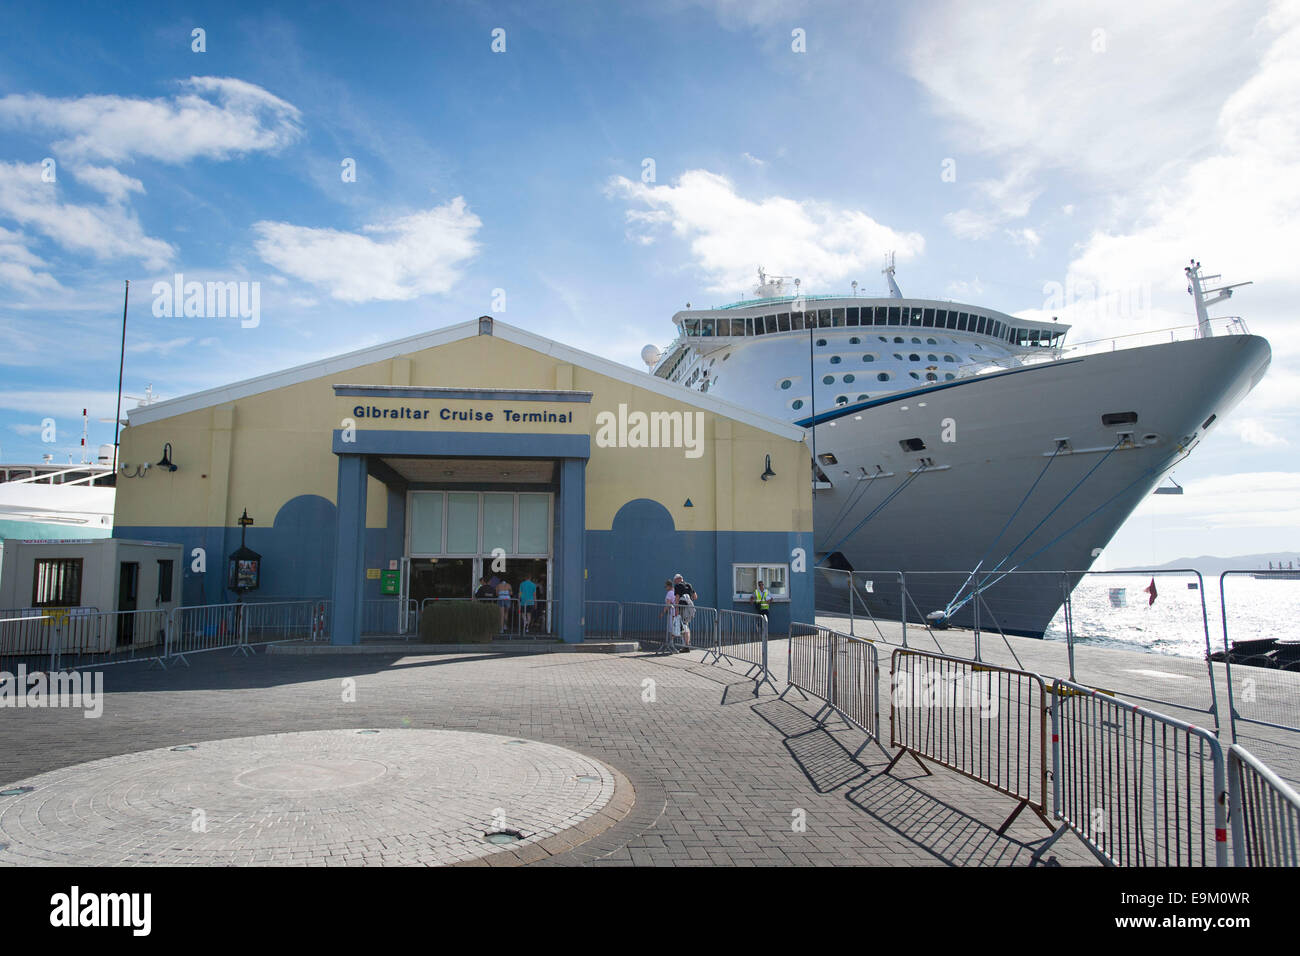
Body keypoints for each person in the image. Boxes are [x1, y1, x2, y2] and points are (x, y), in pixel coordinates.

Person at [672, 573, 698, 653]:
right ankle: (686, 644)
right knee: (686, 625)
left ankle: (686, 646)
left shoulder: (677, 586)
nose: (674, 582)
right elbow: (695, 596)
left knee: (684, 626)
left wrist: (676, 609)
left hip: (683, 608)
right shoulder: (689, 585)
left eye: (675, 581)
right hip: (690, 608)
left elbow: (677, 598)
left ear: (677, 579)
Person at [660, 579, 680, 650]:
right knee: (674, 628)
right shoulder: (675, 592)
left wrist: (662, 613)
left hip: (671, 613)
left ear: (669, 586)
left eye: (666, 587)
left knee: (671, 628)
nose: (666, 588)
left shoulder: (669, 593)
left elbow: (668, 604)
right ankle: (671, 643)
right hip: (676, 612)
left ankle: (671, 643)